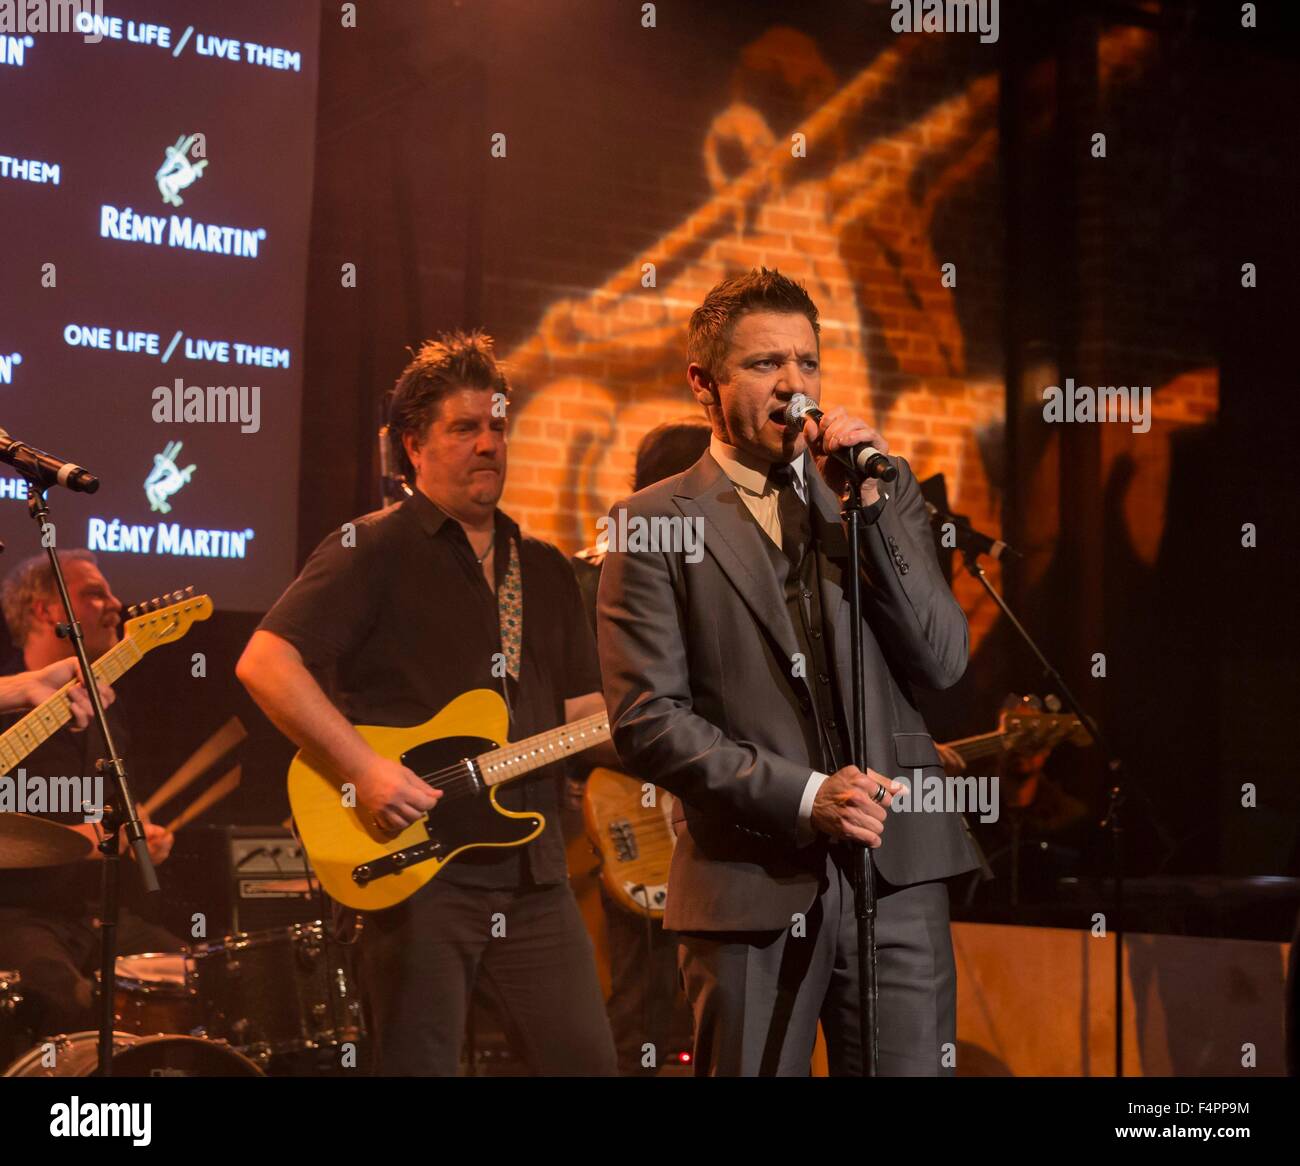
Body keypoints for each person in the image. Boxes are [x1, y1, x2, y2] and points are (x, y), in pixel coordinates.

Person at [597, 268, 981, 1076]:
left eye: (808, 363)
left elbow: (944, 660)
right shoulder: (651, 524)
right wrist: (807, 798)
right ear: (705, 383)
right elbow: (647, 718)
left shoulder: (876, 490)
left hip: (899, 876)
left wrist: (872, 513)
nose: (795, 387)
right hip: (751, 884)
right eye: (767, 365)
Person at [237, 330, 618, 1076]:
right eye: (464, 428)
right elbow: (266, 662)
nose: (488, 445)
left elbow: (584, 716)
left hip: (537, 875)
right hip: (419, 873)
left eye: (498, 427)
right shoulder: (372, 548)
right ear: (413, 446)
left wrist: (673, 725)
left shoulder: (541, 568)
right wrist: (364, 771)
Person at [571, 418, 709, 1075]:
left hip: (710, 821)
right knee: (640, 1006)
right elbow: (562, 713)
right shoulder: (591, 581)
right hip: (630, 810)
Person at [0, 550, 177, 1040]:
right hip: (15, 916)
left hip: (93, 914)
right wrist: (87, 836)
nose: (115, 603)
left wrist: (141, 837)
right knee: (65, 1001)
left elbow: (117, 813)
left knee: (190, 977)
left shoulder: (108, 710)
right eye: (94, 592)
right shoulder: (6, 704)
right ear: (46, 610)